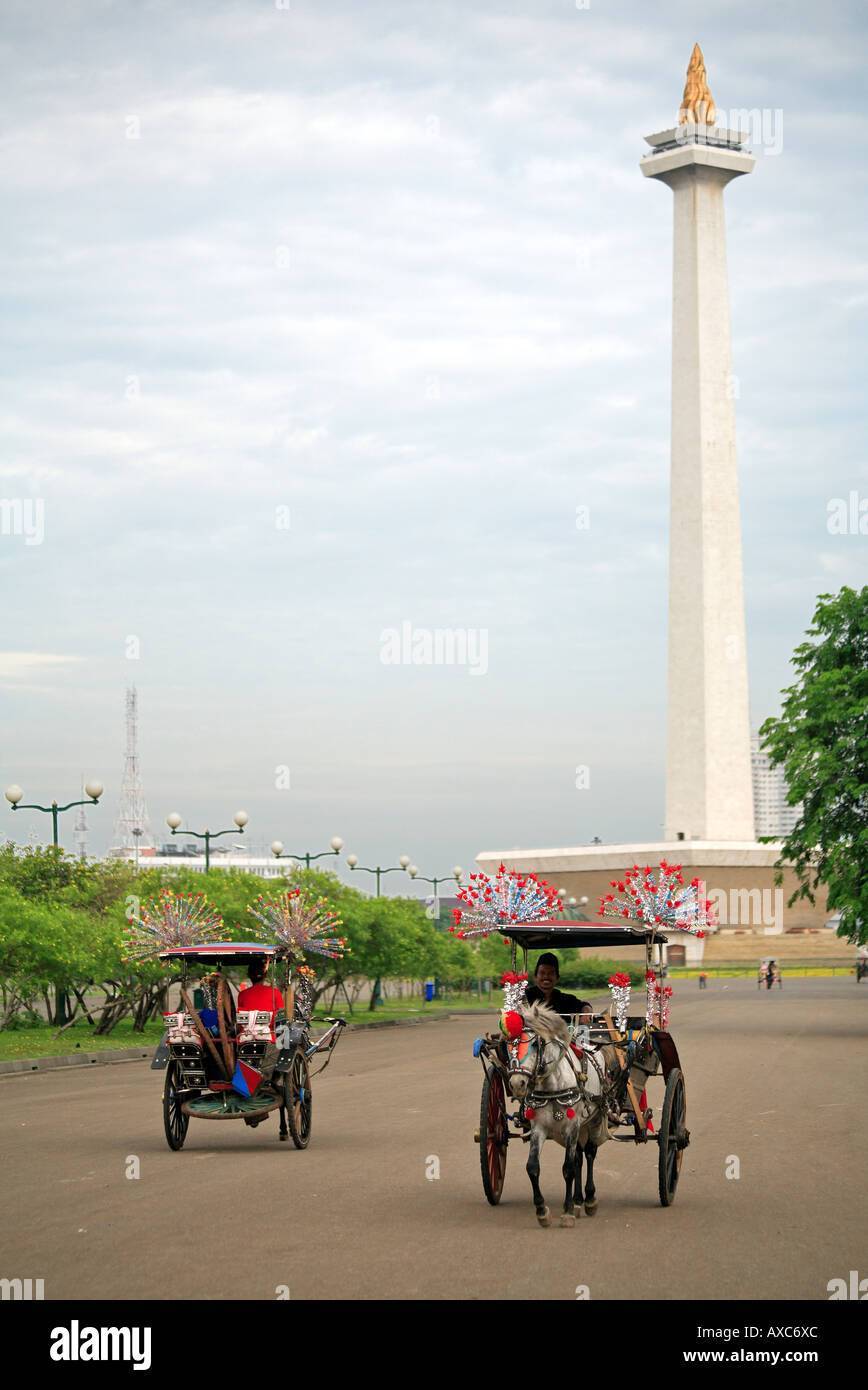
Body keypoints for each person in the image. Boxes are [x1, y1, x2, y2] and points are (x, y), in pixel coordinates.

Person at [524, 953, 592, 1021]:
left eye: (551, 973)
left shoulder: (566, 1000)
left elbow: (585, 1006)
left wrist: (586, 1014)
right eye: (542, 973)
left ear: (557, 978)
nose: (546, 976)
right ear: (535, 977)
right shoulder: (525, 996)